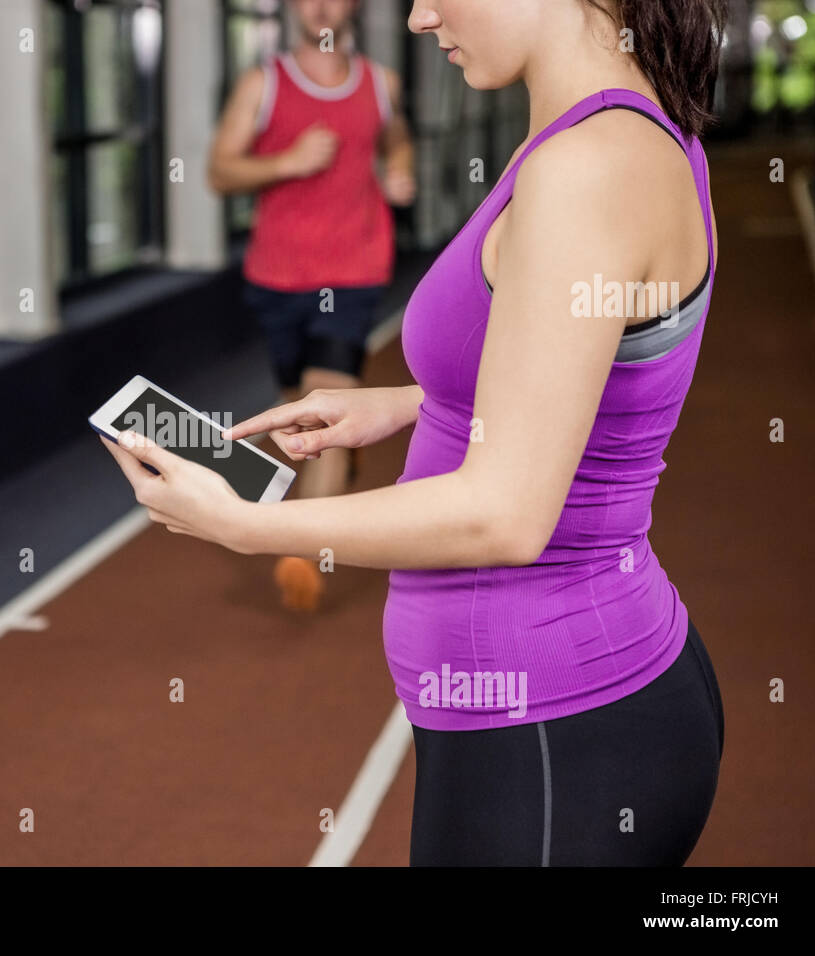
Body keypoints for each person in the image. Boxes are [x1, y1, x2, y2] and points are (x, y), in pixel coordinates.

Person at [104, 0, 727, 866]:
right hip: (543, 716)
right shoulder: (606, 128)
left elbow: (503, 516)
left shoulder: (591, 165)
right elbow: (589, 365)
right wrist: (414, 403)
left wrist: (245, 524)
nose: (421, 15)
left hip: (557, 729)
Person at [207, 0, 415, 612]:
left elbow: (396, 140)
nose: (322, 6)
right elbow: (220, 172)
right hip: (277, 275)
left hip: (353, 270)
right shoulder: (262, 84)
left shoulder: (382, 83)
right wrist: (287, 162)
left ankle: (305, 546)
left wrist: (399, 170)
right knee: (293, 408)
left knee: (324, 399)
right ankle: (338, 458)